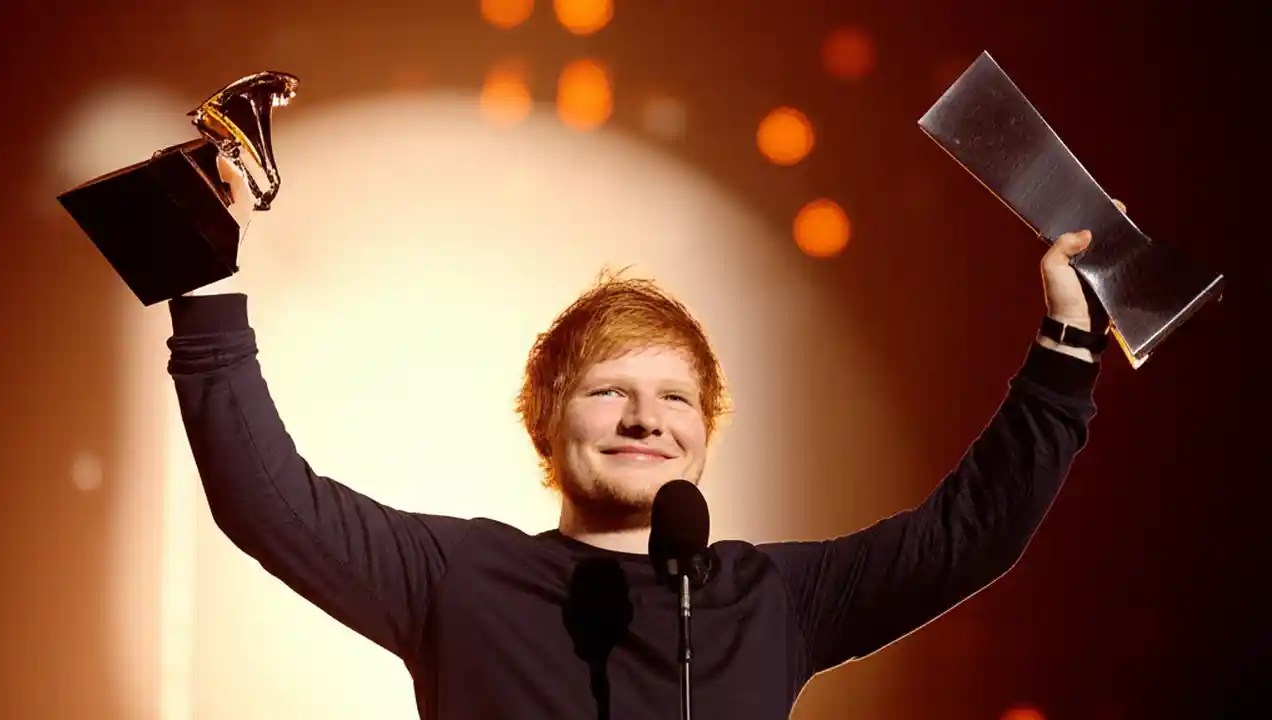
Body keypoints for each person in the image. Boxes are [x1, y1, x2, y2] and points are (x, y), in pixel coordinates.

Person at [166, 157, 1114, 718]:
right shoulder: (456, 578)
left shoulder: (773, 598)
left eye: (675, 398)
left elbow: (970, 533)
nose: (645, 419)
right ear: (543, 419)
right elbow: (267, 500)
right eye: (609, 391)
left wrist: (1068, 342)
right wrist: (204, 282)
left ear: (705, 434)